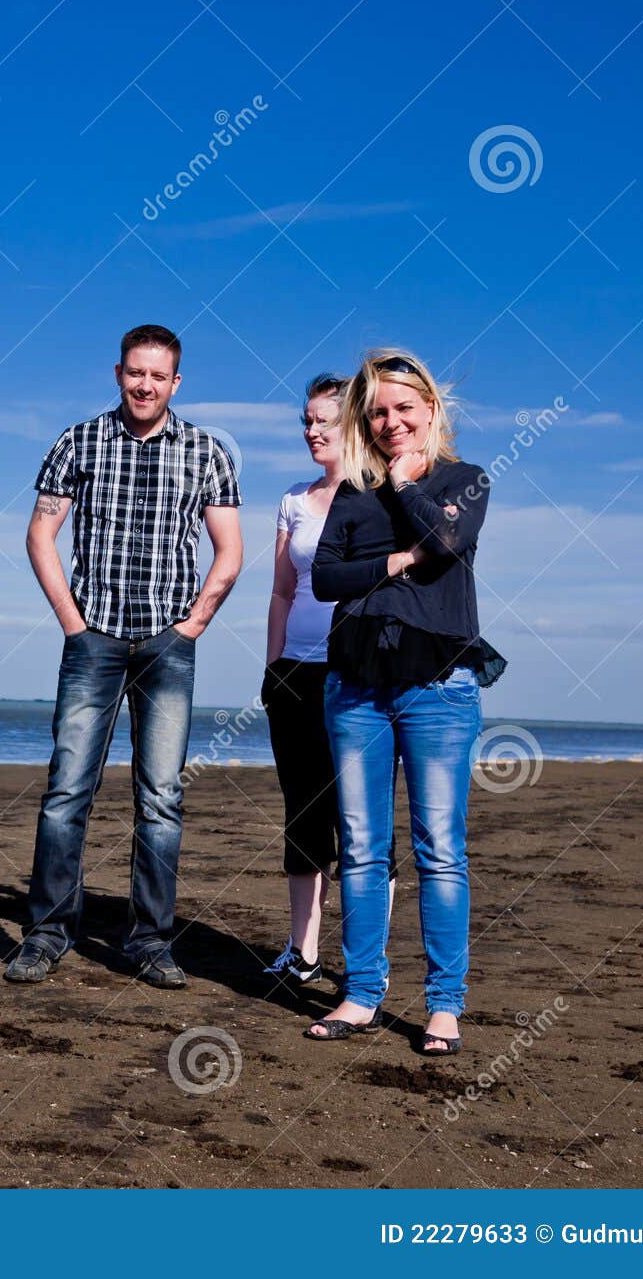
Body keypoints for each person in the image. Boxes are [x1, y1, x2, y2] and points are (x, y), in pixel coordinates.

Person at [6, 324, 244, 990]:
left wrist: (193, 623)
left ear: (176, 382)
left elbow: (229, 549)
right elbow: (40, 533)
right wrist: (72, 623)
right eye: (135, 373)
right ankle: (47, 934)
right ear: (118, 374)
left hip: (168, 647)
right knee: (65, 794)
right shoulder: (80, 442)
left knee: (161, 799)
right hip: (95, 641)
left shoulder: (206, 452)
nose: (145, 385)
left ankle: (150, 943)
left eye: (158, 376)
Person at [304, 348, 505, 1054]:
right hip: (354, 687)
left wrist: (403, 483)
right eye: (379, 412)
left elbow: (447, 539)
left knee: (440, 852)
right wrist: (393, 561)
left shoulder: (464, 481)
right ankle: (361, 995)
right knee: (361, 848)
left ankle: (444, 1007)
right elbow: (326, 577)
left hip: (438, 688)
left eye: (403, 410)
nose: (390, 422)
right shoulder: (352, 493)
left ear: (429, 411)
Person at [260, 374, 398, 984]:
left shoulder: (382, 497)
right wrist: (272, 670)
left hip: (360, 675)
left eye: (326, 421)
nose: (313, 431)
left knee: (363, 819)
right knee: (303, 811)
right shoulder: (293, 499)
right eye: (306, 421)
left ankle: (365, 961)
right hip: (296, 674)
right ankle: (303, 952)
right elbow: (282, 592)